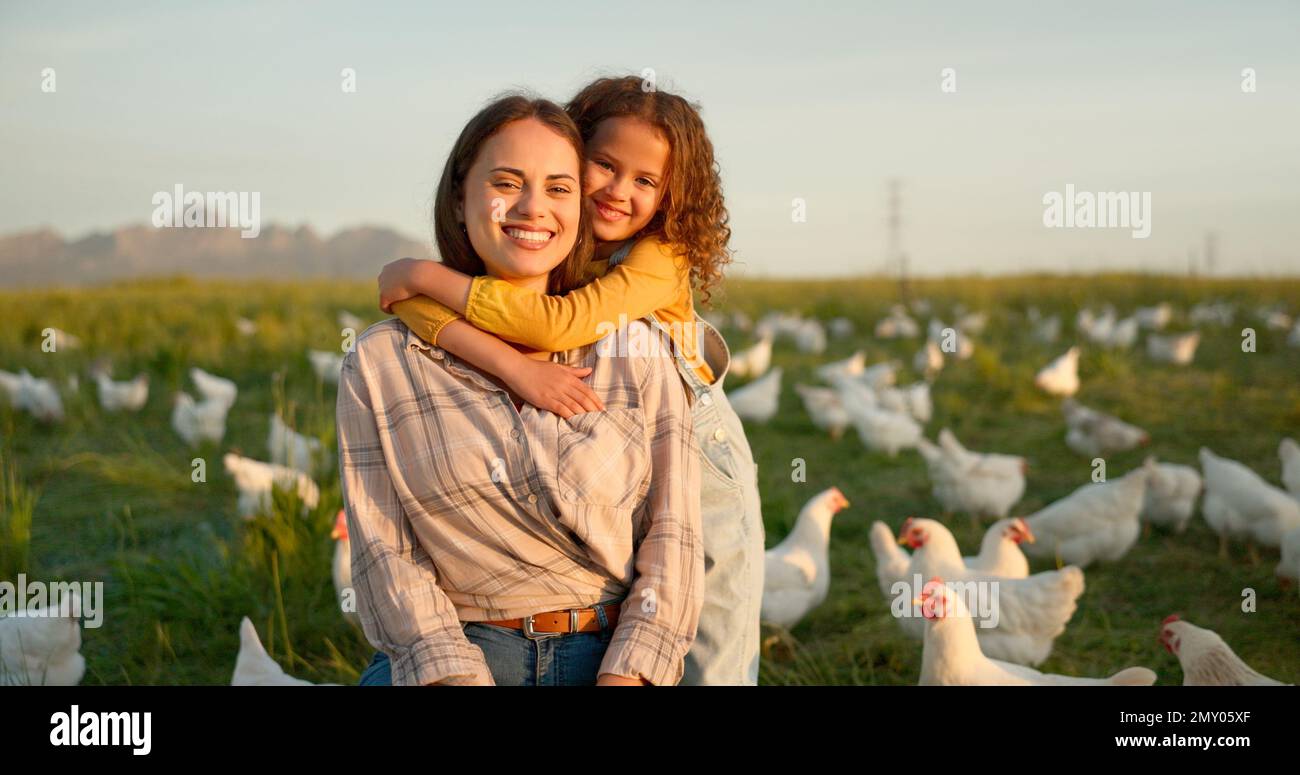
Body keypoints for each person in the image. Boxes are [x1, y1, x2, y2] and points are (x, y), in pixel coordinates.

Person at [378, 76, 764, 685]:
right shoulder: (565, 244)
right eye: (603, 165)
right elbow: (414, 312)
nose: (617, 190)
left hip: (697, 445)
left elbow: (559, 325)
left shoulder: (659, 258)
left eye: (645, 181)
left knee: (707, 649)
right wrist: (423, 302)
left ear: (672, 196)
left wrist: (425, 275)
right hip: (612, 431)